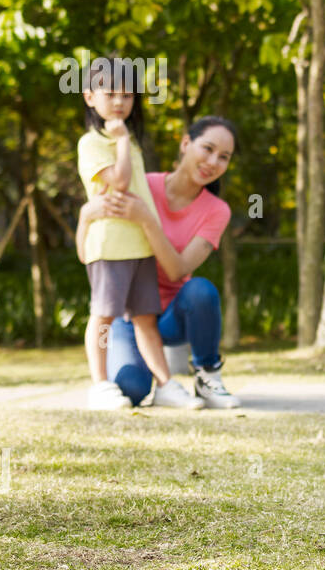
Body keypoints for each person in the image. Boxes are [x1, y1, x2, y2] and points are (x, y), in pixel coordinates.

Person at [77, 115, 241, 409]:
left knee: (201, 291)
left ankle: (207, 377)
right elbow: (101, 233)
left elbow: (178, 270)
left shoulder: (217, 210)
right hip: (130, 316)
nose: (213, 161)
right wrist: (86, 214)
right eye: (207, 148)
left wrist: (146, 219)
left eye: (224, 157)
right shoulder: (144, 185)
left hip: (170, 317)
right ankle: (128, 382)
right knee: (131, 390)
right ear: (185, 143)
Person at [77, 59, 200, 411]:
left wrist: (123, 143)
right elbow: (116, 181)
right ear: (89, 97)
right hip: (109, 246)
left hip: (139, 246)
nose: (119, 101)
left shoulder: (128, 144)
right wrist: (120, 142)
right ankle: (99, 385)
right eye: (110, 92)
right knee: (103, 315)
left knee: (146, 317)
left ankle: (165, 384)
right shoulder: (93, 142)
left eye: (127, 94)